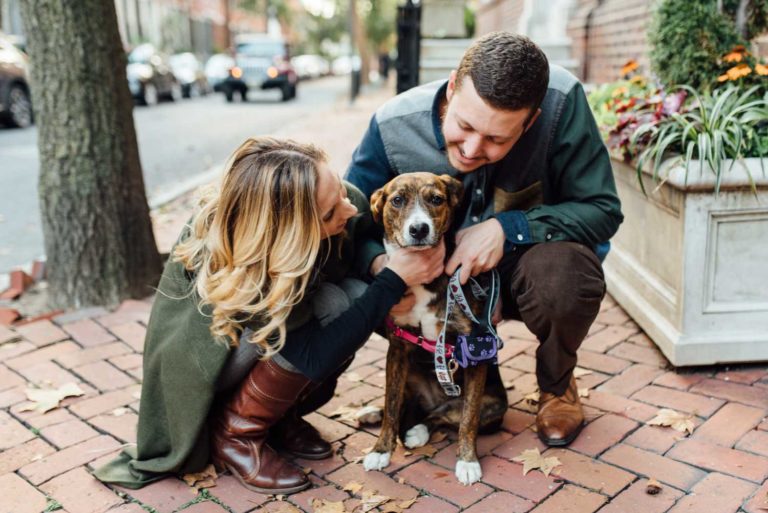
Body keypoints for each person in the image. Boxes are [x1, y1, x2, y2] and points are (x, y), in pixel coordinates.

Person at [94, 137, 444, 494]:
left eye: (339, 189)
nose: (349, 209)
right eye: (329, 214)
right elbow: (313, 355)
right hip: (209, 358)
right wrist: (392, 282)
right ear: (291, 235)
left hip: (274, 330)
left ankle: (280, 417)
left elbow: (363, 233)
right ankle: (235, 433)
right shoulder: (258, 261)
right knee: (339, 307)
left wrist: (376, 261)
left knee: (352, 296)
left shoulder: (335, 198)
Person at [345, 32, 624, 447]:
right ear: (454, 86)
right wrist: (382, 269)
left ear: (530, 120)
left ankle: (557, 385)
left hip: (517, 270)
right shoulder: (392, 125)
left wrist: (508, 228)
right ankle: (423, 388)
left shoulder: (563, 103)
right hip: (423, 282)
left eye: (497, 139)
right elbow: (350, 224)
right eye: (464, 126)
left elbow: (602, 209)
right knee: (350, 287)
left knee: (566, 276)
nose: (473, 149)